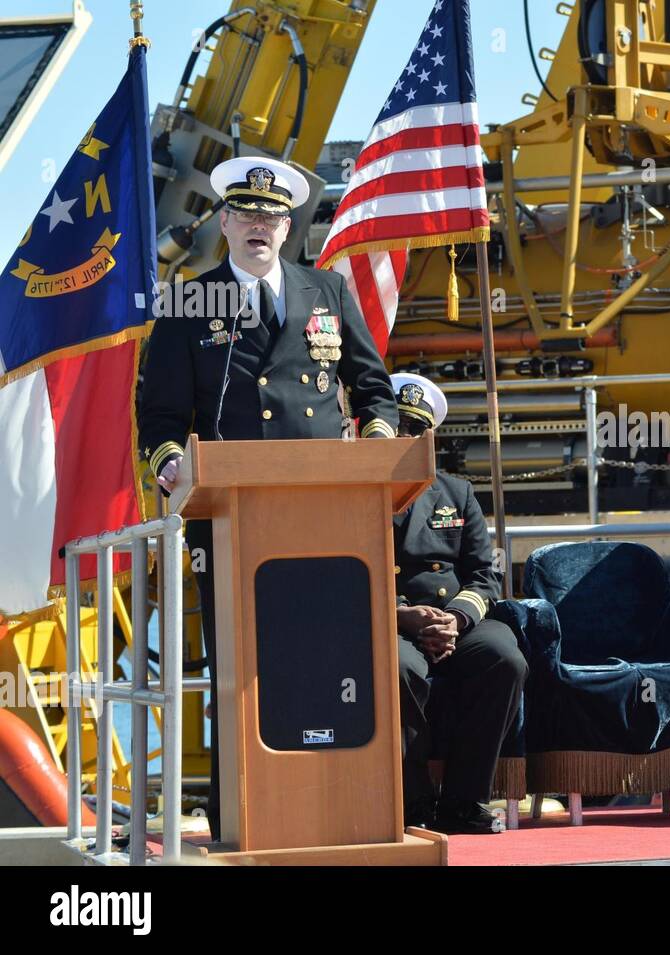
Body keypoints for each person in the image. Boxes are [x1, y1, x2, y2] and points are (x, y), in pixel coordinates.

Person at [137, 156, 398, 840]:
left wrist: (375, 439)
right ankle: (242, 819)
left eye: (271, 216)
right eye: (245, 214)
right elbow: (161, 420)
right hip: (231, 523)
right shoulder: (192, 300)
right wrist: (171, 467)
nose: (259, 226)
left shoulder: (328, 291)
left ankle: (333, 811)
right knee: (243, 675)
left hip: (328, 520)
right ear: (224, 222)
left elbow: (375, 390)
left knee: (328, 661)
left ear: (288, 227)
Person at [389, 373, 527, 834]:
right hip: (389, 620)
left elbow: (486, 574)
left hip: (454, 620)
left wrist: (454, 619)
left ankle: (465, 801)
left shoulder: (455, 492)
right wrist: (402, 616)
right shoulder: (353, 492)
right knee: (400, 671)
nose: (405, 438)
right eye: (396, 426)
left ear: (430, 438)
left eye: (415, 430)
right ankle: (415, 804)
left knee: (504, 658)